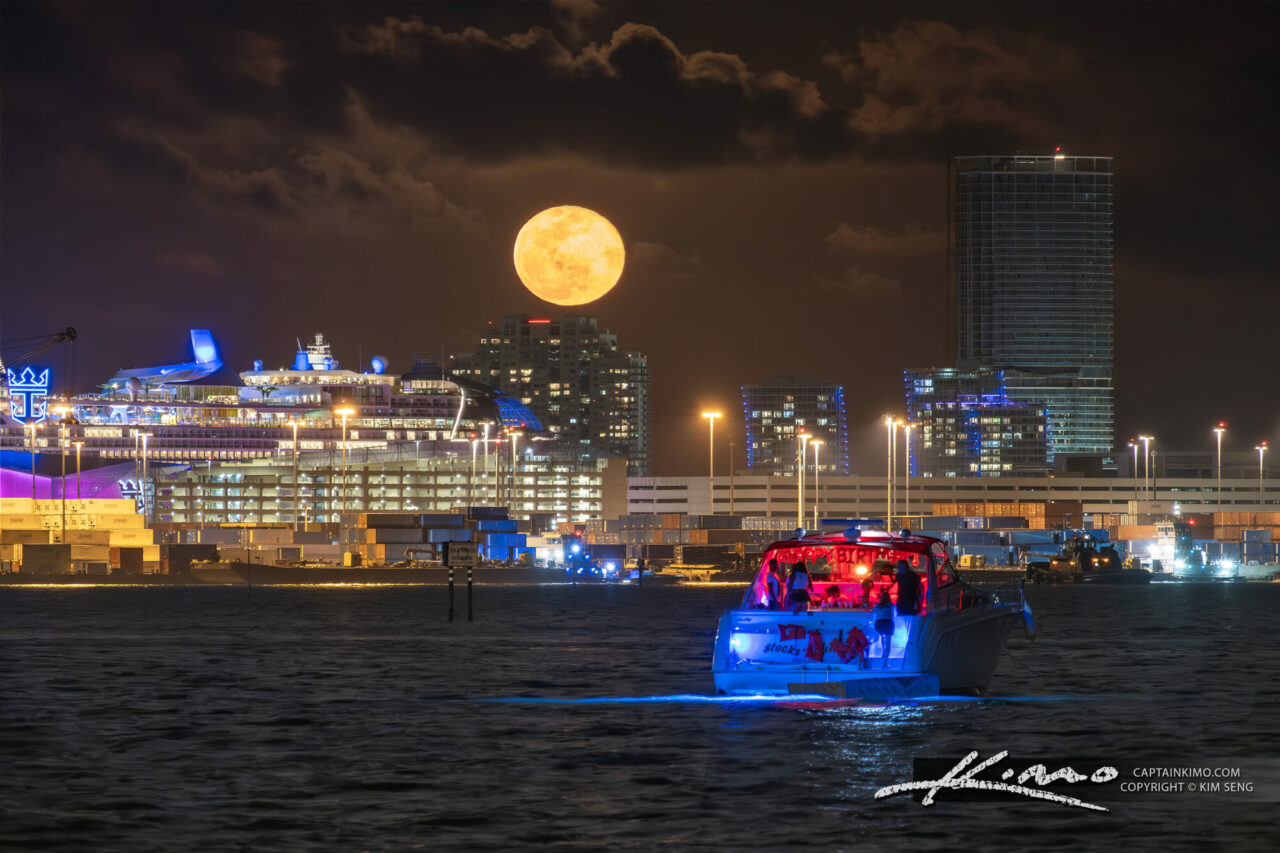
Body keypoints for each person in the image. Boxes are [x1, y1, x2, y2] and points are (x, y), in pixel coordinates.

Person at [873, 590, 895, 668]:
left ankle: (883, 652)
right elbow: (895, 614)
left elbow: (873, 613)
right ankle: (885, 663)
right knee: (888, 644)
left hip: (879, 624)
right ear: (889, 598)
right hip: (888, 623)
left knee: (882, 636)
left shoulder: (877, 605)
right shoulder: (891, 605)